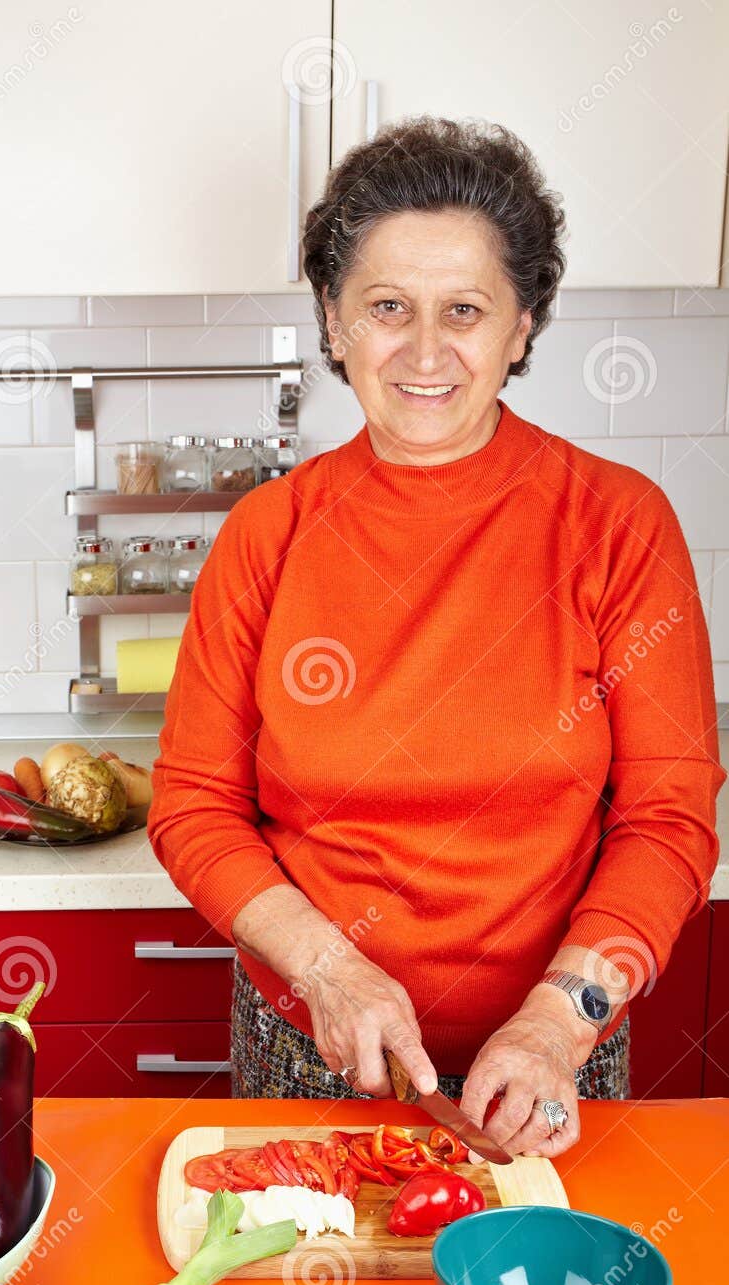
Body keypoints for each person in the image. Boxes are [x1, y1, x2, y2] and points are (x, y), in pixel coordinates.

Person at [147, 116, 724, 1158]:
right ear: (333, 323)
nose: (423, 351)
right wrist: (327, 968)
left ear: (521, 327)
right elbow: (194, 806)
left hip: (556, 1055)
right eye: (386, 308)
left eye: (464, 309)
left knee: (538, 1274)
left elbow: (666, 817)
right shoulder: (268, 534)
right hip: (312, 1045)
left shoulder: (616, 523)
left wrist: (558, 1021)